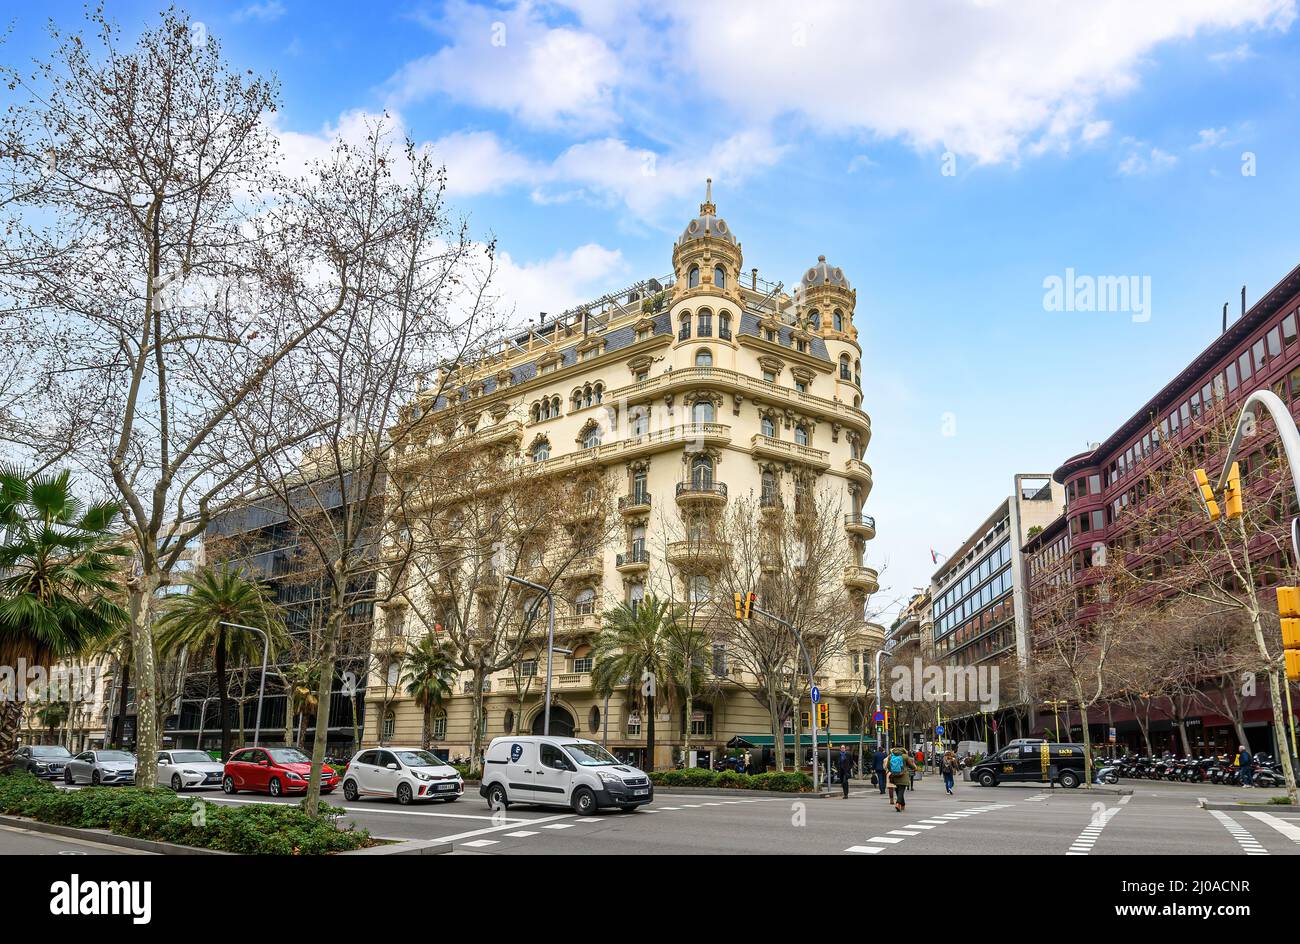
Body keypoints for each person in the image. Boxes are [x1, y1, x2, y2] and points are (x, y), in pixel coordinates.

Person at [889, 747, 917, 812]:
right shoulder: (905, 756)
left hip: (894, 775)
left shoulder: (891, 756)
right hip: (903, 775)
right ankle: (898, 803)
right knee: (901, 790)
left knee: (898, 790)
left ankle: (902, 804)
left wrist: (893, 771)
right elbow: (911, 766)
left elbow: (888, 766)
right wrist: (915, 768)